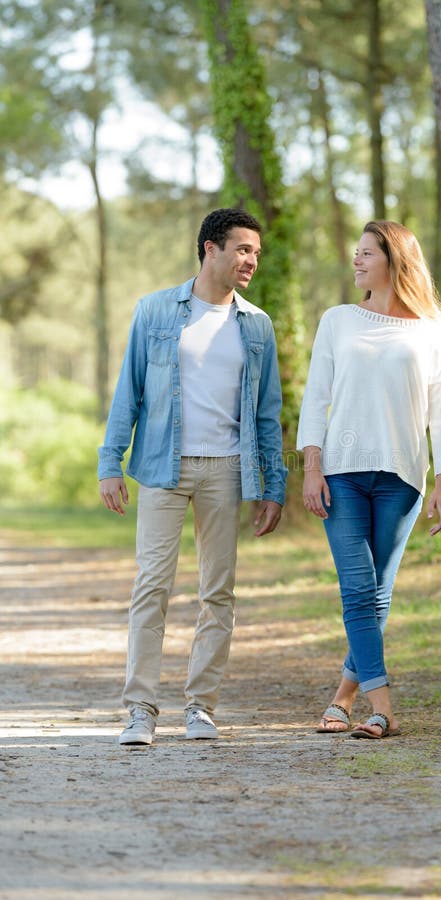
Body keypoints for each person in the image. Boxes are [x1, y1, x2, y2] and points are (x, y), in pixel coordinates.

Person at [99, 207, 287, 746]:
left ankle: (200, 708)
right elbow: (128, 393)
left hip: (227, 470)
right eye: (243, 249)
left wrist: (273, 486)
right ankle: (140, 710)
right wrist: (110, 462)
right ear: (211, 248)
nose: (251, 259)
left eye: (256, 251)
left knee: (217, 592)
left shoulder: (257, 325)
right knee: (151, 587)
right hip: (162, 465)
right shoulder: (155, 311)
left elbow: (267, 413)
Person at [297, 220, 441, 739]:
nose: (356, 260)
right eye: (356, 252)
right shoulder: (338, 320)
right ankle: (383, 706)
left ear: (394, 259)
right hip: (340, 473)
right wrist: (311, 466)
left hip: (403, 475)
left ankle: (342, 699)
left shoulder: (430, 328)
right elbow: (316, 396)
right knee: (358, 587)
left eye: (367, 253)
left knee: (378, 593)